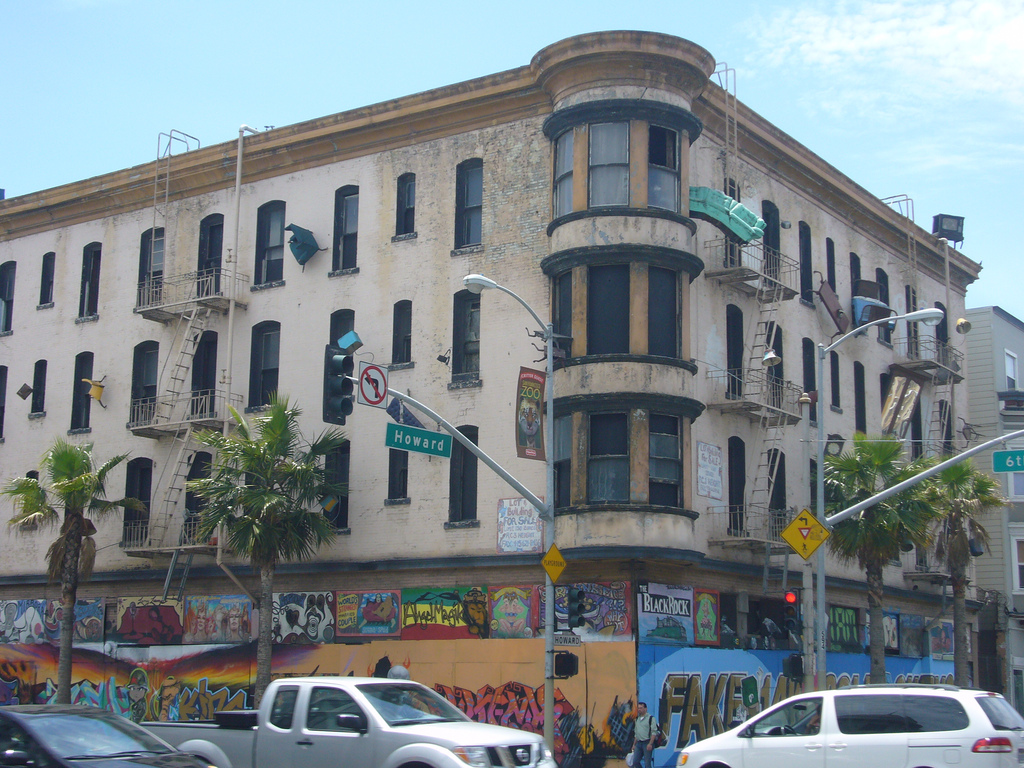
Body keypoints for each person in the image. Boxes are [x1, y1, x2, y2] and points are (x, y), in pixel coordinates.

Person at [631, 701, 658, 768]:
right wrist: (634, 744)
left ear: (645, 709)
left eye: (641, 708)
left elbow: (654, 732)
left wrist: (650, 743)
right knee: (635, 762)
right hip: (639, 743)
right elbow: (636, 733)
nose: (639, 709)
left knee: (647, 763)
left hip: (647, 742)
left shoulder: (651, 718)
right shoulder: (637, 719)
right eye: (638, 708)